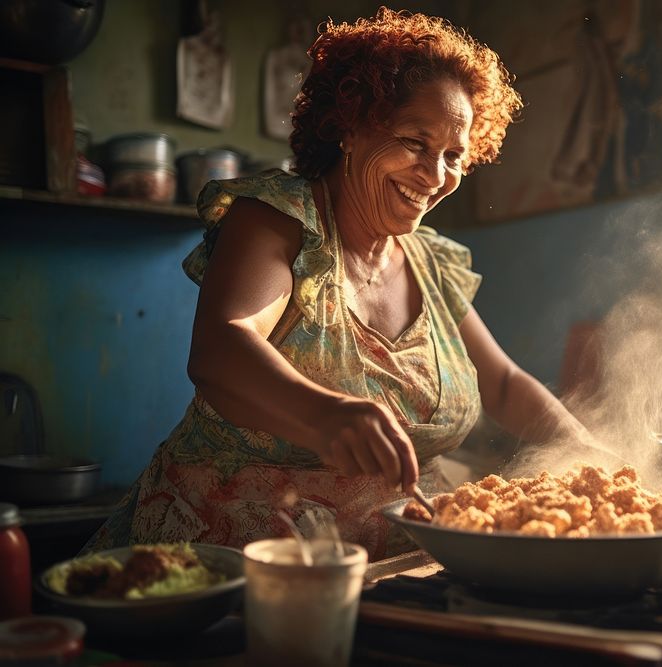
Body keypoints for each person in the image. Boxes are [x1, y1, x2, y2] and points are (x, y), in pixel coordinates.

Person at [85, 7, 590, 559]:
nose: (435, 175)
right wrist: (325, 414)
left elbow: (505, 386)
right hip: (228, 563)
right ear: (350, 128)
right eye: (414, 142)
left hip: (390, 566)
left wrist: (588, 453)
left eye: (453, 156)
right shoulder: (281, 220)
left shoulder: (431, 264)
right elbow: (222, 347)